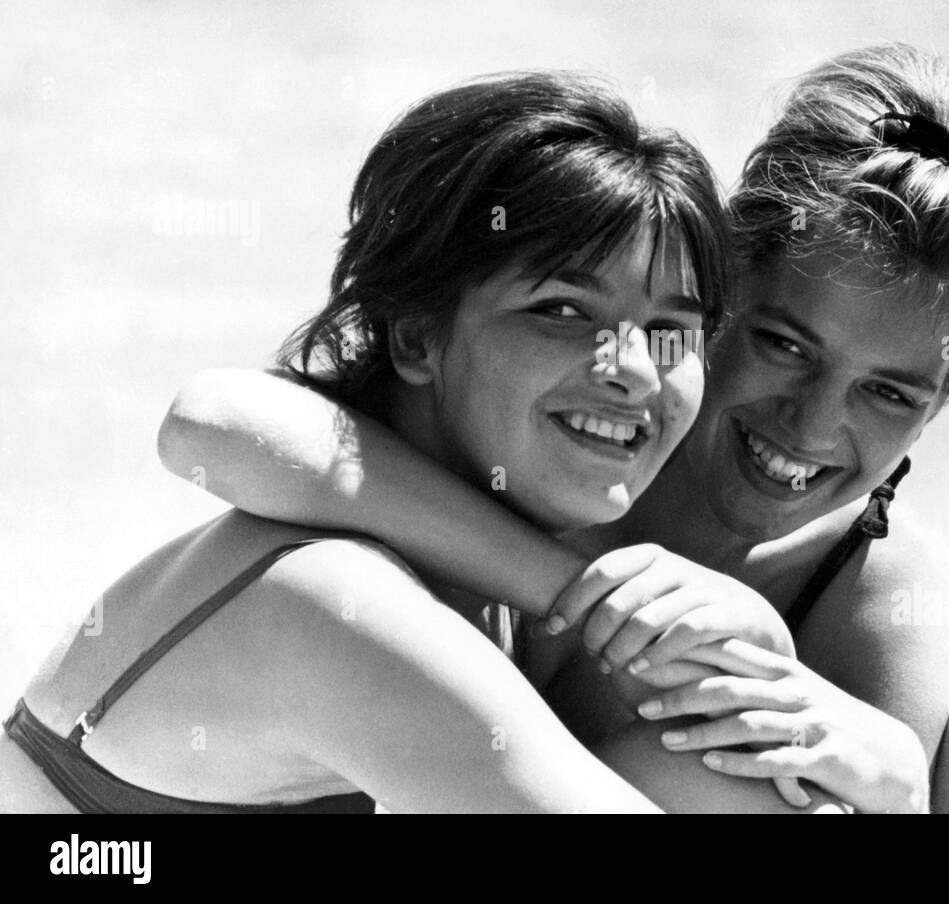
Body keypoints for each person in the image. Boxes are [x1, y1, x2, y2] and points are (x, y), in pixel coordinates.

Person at [157, 44, 949, 813]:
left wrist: (885, 764)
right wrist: (576, 586)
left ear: (941, 405)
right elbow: (216, 422)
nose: (811, 427)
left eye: (890, 394)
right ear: (708, 287)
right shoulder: (565, 453)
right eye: (783, 343)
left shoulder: (867, 583)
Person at [0, 70, 772, 814]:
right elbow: (205, 421)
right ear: (415, 335)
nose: (635, 371)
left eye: (673, 331)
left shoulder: (481, 555)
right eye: (563, 312)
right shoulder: (343, 605)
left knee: (714, 775)